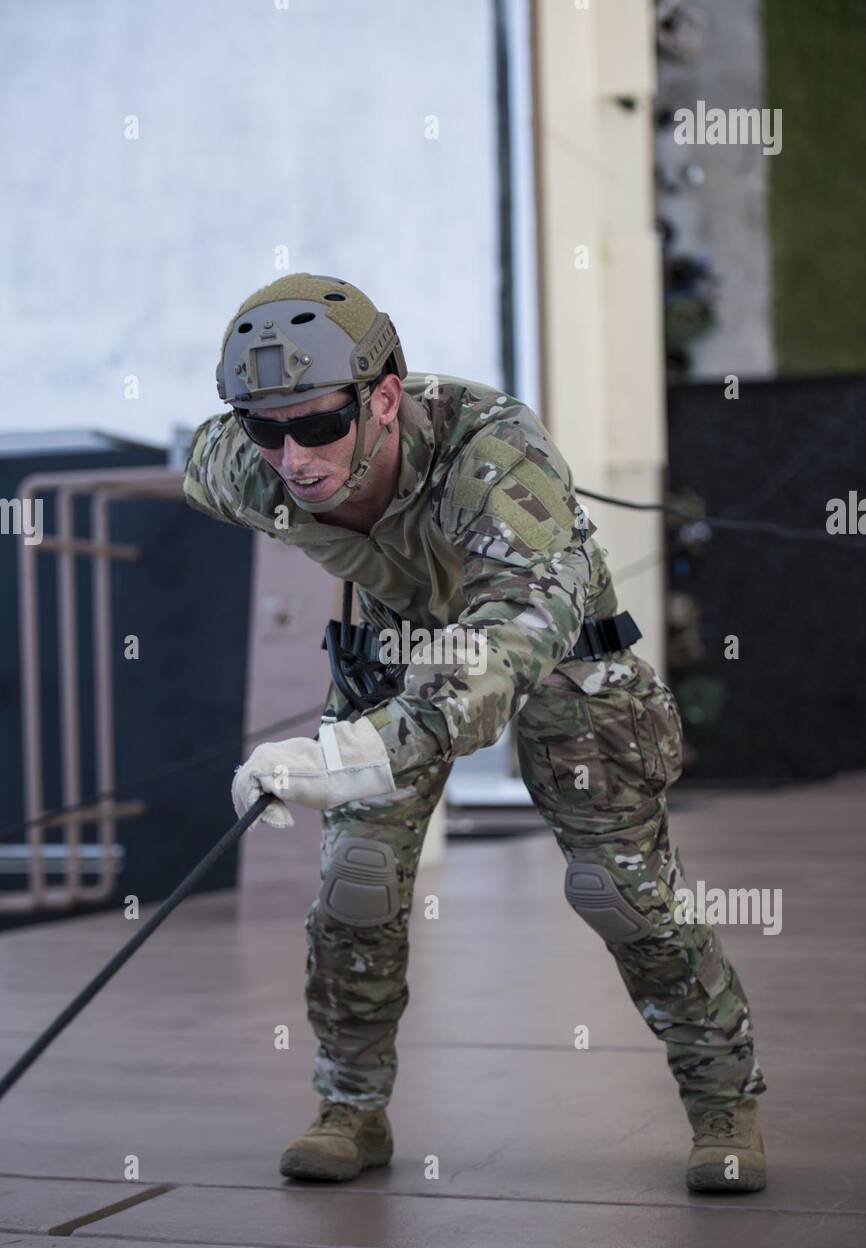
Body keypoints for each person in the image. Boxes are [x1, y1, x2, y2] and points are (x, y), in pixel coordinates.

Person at [183, 272, 767, 1192]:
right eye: (266, 427)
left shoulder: (489, 448)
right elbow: (202, 458)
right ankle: (351, 1105)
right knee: (355, 884)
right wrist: (359, 743)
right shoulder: (245, 465)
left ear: (382, 399)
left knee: (622, 890)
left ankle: (723, 1102)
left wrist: (350, 753)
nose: (291, 456)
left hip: (560, 653)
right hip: (396, 649)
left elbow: (521, 626)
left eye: (318, 425)